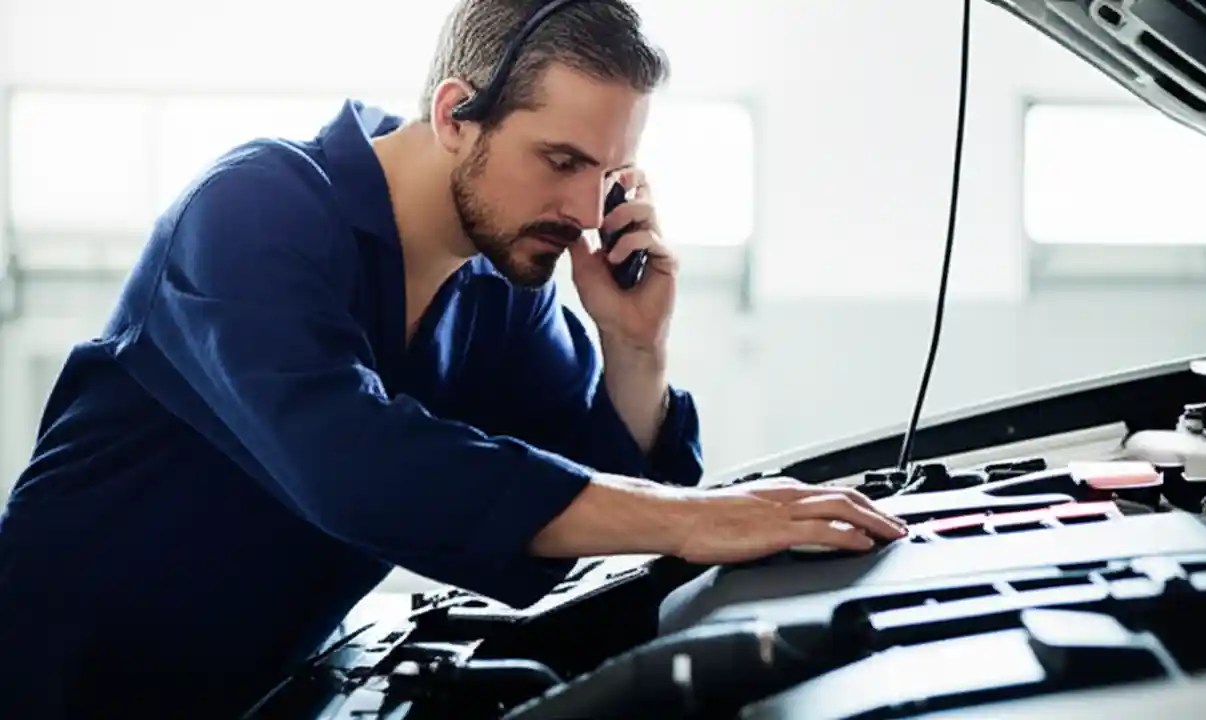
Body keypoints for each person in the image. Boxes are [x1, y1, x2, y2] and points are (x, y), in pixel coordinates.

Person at [0, 0, 906, 716]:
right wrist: (694, 518)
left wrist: (635, 347)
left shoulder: (504, 287)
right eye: (559, 160)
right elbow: (354, 464)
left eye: (607, 173)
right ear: (456, 116)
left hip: (257, 684)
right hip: (53, 679)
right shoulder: (257, 207)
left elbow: (591, 503)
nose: (590, 210)